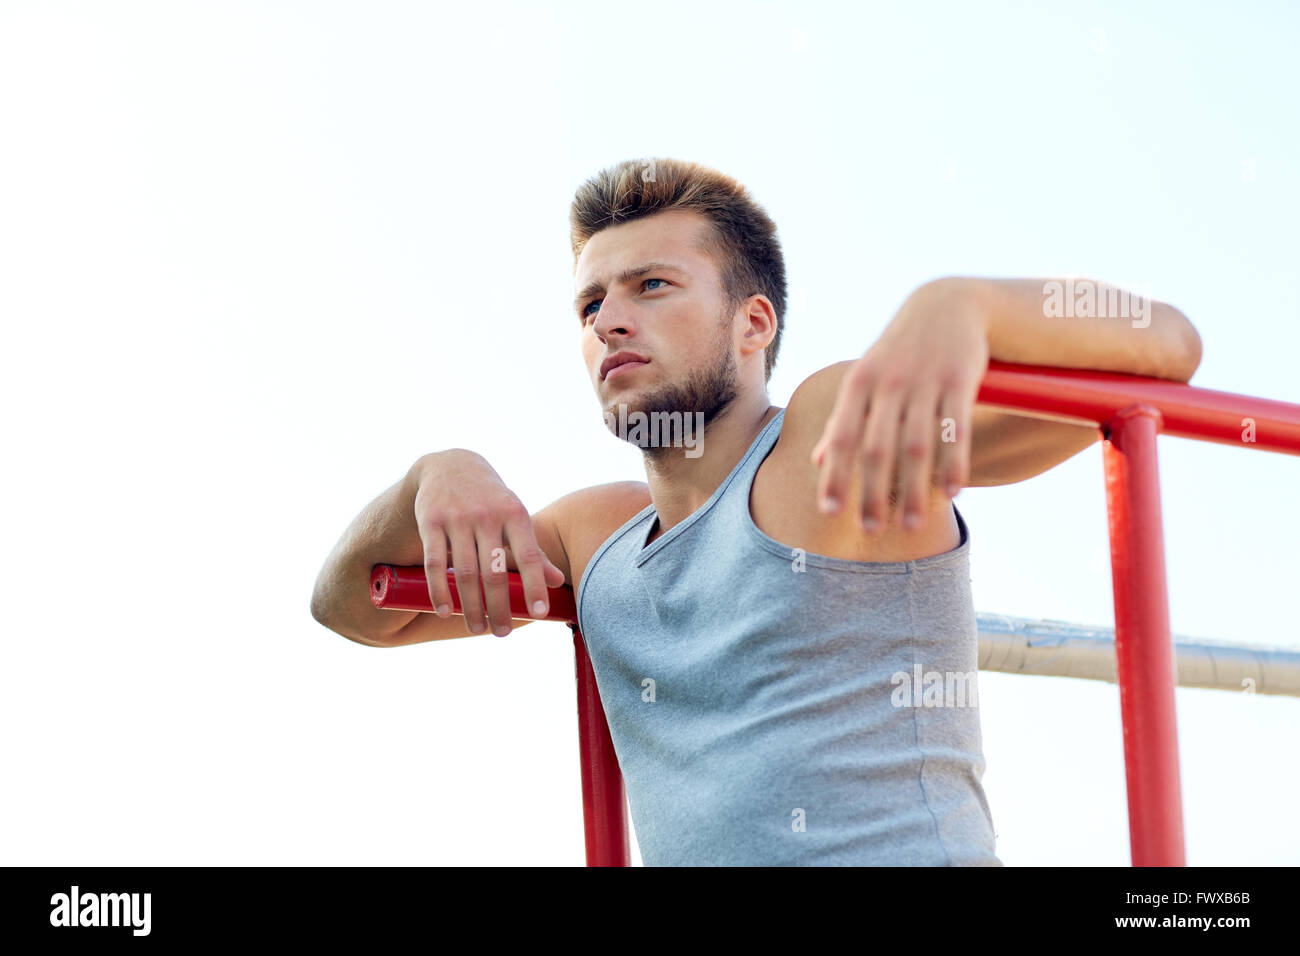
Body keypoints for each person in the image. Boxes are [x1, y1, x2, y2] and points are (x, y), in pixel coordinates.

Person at [310, 157, 1203, 865]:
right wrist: (435, 474)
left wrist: (963, 304)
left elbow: (1166, 348)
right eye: (591, 302)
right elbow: (346, 609)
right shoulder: (595, 539)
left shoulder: (827, 430)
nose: (609, 320)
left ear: (754, 322)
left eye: (651, 286)